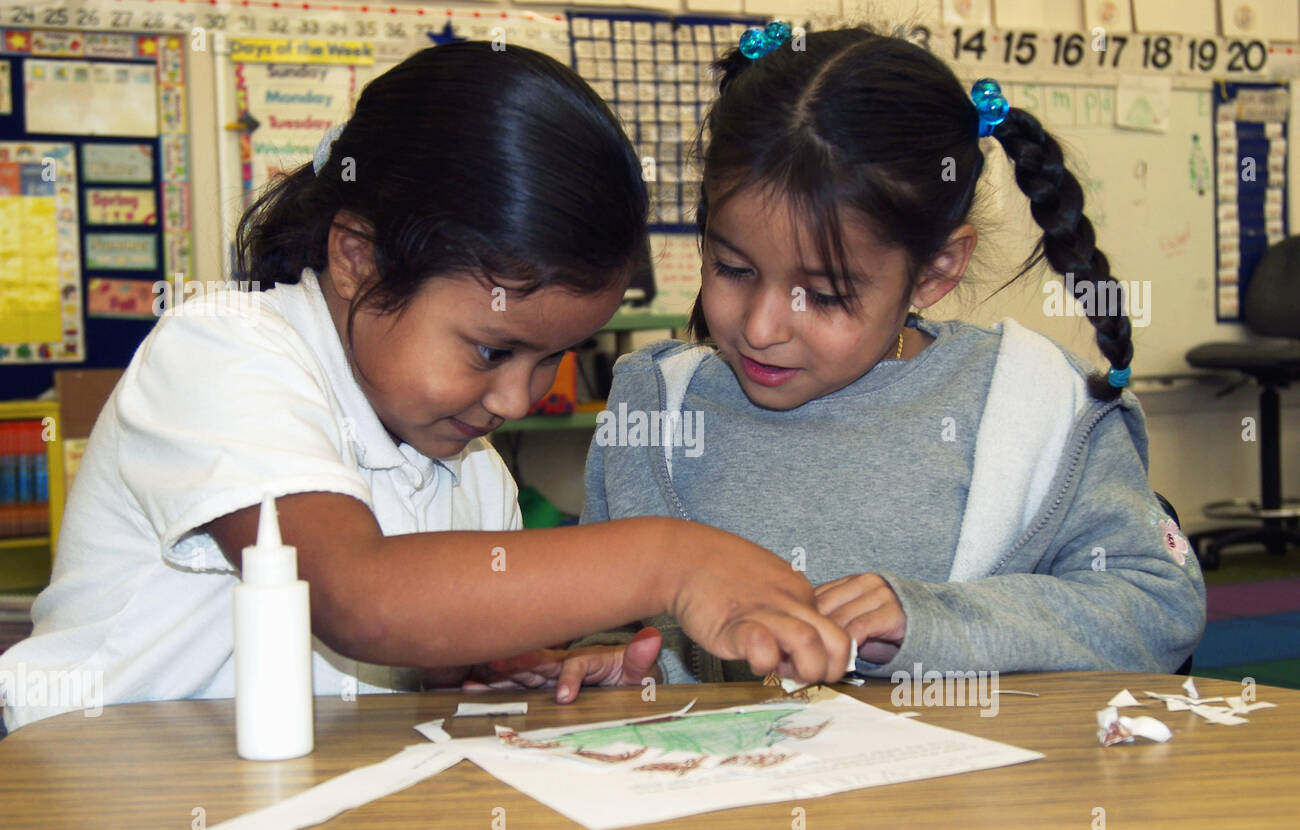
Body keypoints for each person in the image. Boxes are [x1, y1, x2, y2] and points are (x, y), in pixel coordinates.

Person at [0, 42, 852, 735]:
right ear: (358, 256)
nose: (519, 401)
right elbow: (359, 600)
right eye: (491, 350)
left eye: (555, 356)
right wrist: (673, 557)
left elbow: (415, 645)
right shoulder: (224, 351)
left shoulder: (473, 471)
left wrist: (504, 669)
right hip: (90, 808)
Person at [484, 24, 1204, 699]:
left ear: (935, 270)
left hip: (962, 824)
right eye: (732, 268)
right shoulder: (654, 407)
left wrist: (934, 619)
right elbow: (615, 624)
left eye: (822, 296)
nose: (763, 328)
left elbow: (1158, 605)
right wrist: (613, 660)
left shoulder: (1037, 404)